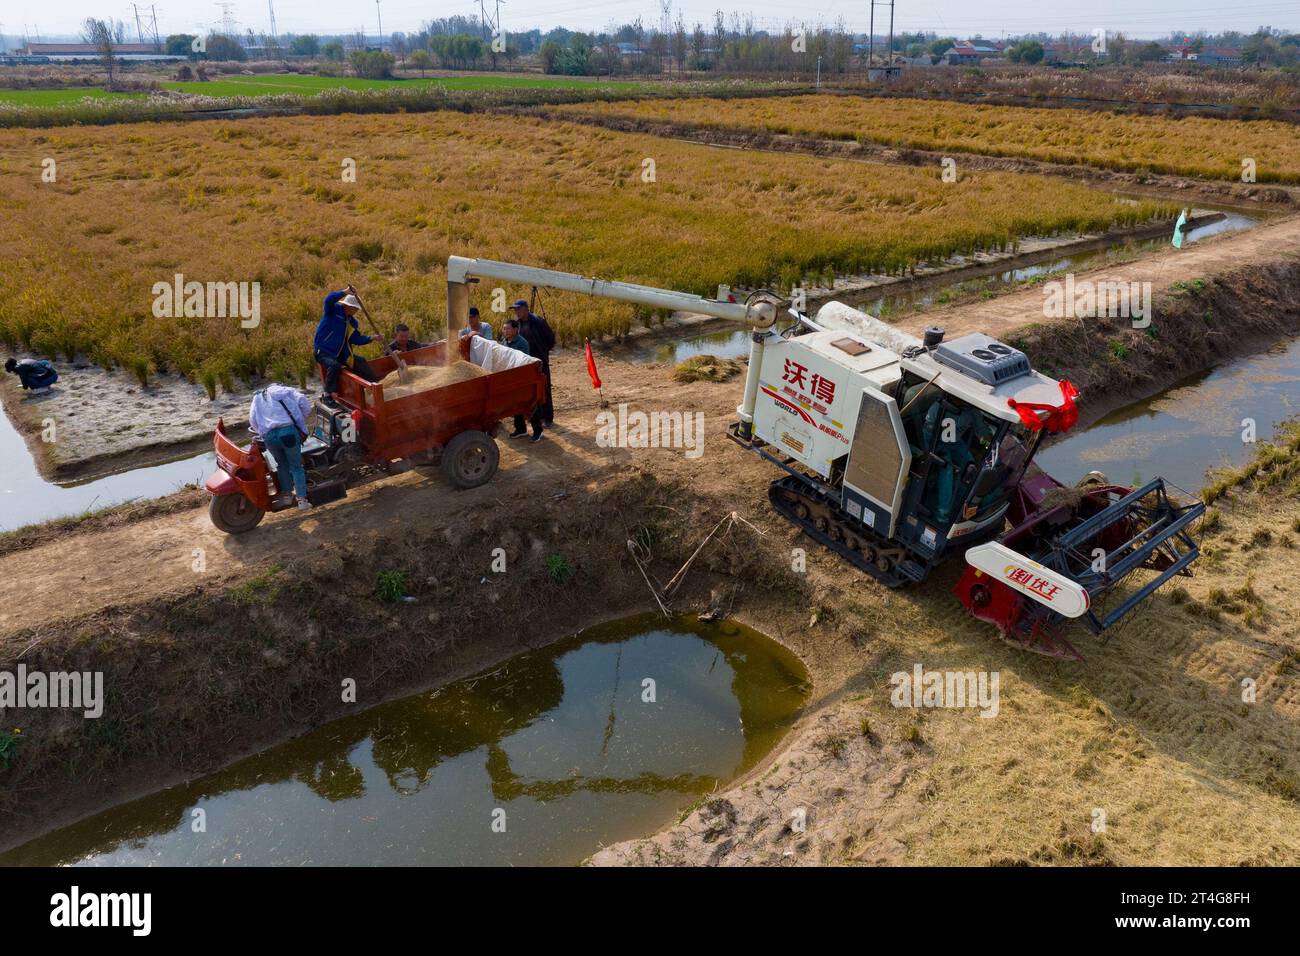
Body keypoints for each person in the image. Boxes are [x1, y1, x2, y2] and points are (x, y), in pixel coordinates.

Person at [249, 383, 315, 511]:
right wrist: (301, 418)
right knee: (296, 466)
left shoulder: (257, 397)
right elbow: (303, 402)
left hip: (269, 437)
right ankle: (302, 500)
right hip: (288, 433)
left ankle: (287, 496)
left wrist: (262, 431)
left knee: (282, 465)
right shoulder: (287, 391)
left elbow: (252, 420)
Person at [313, 286, 377, 407]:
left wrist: (372, 338)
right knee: (334, 365)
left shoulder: (352, 322)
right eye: (355, 308)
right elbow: (328, 300)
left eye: (357, 309)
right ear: (348, 306)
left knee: (361, 362)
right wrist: (344, 292)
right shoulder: (333, 311)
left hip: (341, 354)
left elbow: (355, 339)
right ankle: (327, 395)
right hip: (323, 351)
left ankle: (375, 386)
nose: (356, 311)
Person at [510, 299, 556, 424]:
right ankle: (538, 416)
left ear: (526, 308)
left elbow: (551, 339)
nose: (516, 312)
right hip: (526, 362)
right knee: (533, 391)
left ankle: (548, 418)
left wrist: (543, 352)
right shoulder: (517, 324)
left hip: (540, 361)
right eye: (515, 309)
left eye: (518, 309)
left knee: (545, 389)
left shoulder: (538, 321)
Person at [502, 319, 543, 444]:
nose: (505, 331)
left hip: (523, 378)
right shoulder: (504, 342)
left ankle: (538, 430)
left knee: (529, 405)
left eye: (508, 328)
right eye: (504, 328)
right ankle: (520, 429)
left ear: (515, 330)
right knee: (515, 404)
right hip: (510, 378)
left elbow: (522, 361)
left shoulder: (522, 343)